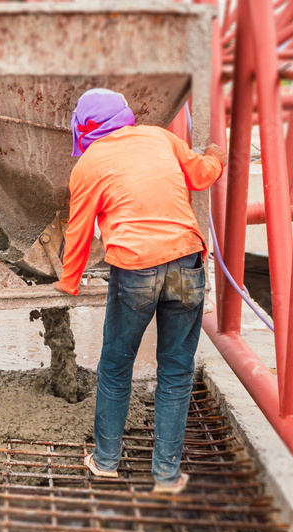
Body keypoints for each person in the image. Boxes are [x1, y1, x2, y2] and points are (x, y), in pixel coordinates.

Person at [53, 88, 227, 494]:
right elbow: (201, 176)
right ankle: (166, 476)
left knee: (116, 366)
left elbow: (79, 230)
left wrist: (70, 281)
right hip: (186, 261)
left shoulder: (89, 165)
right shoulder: (160, 137)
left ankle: (107, 461)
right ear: (126, 116)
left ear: (81, 127)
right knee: (176, 370)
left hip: (134, 270)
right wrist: (217, 157)